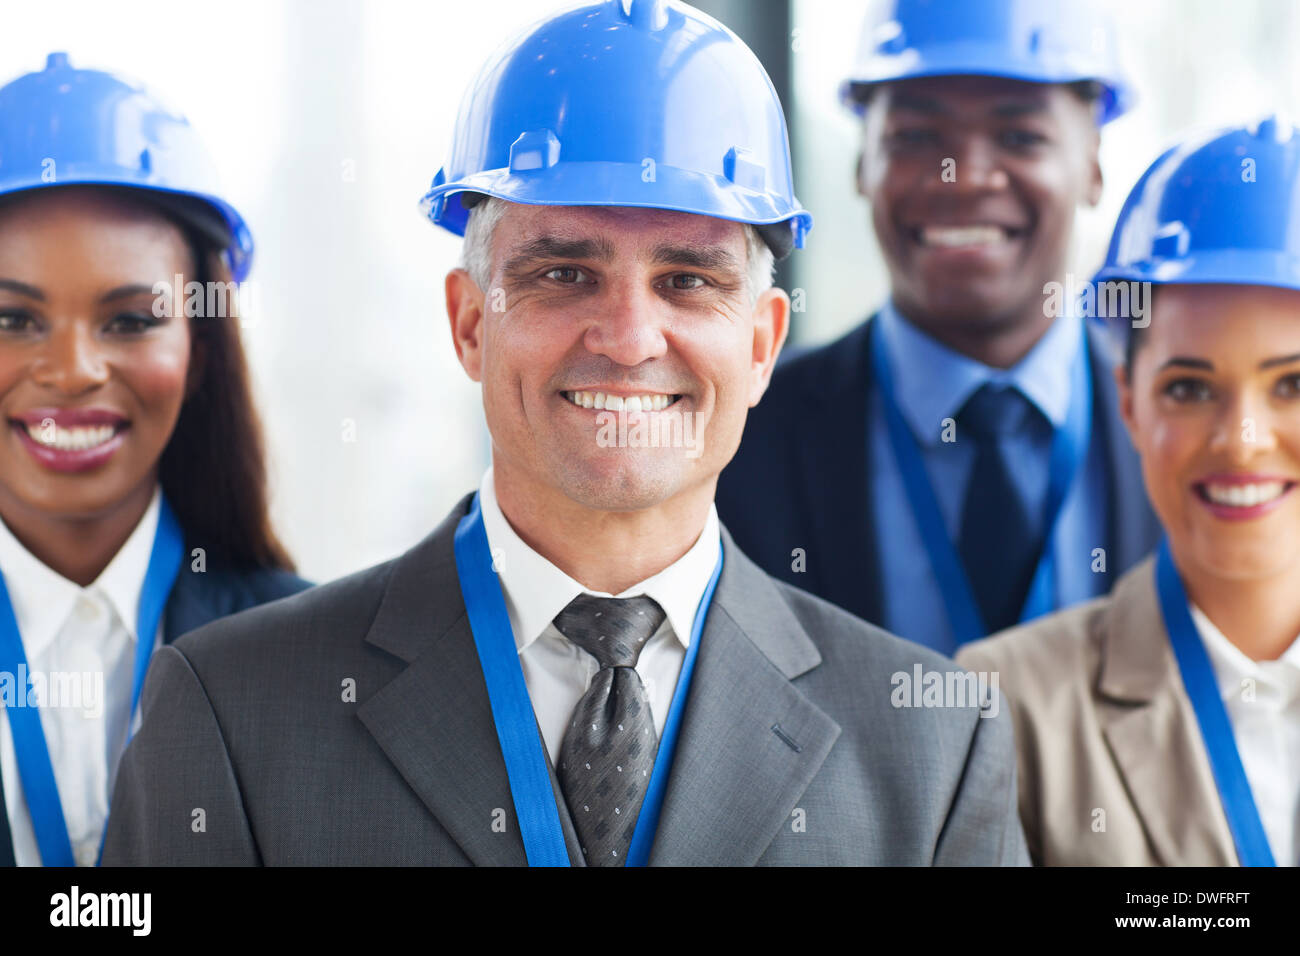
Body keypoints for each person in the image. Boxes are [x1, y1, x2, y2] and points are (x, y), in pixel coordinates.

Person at [103, 0, 1027, 866]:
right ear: (469, 323)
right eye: (564, 274)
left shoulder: (933, 752)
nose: (627, 340)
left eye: (688, 281)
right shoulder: (230, 711)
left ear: (760, 344)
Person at [716, 0, 1161, 655]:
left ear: (1092, 164)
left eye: (1020, 137)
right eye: (918, 138)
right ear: (861, 164)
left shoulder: (1184, 425)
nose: (968, 177)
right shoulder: (738, 435)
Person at [958, 117, 1300, 866]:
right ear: (1129, 404)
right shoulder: (1001, 703)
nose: (1242, 441)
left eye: (1293, 384)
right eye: (1189, 387)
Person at [0, 54, 309, 867]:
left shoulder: (313, 654)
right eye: (11, 318)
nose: (71, 371)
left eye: (131, 321)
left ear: (200, 349)